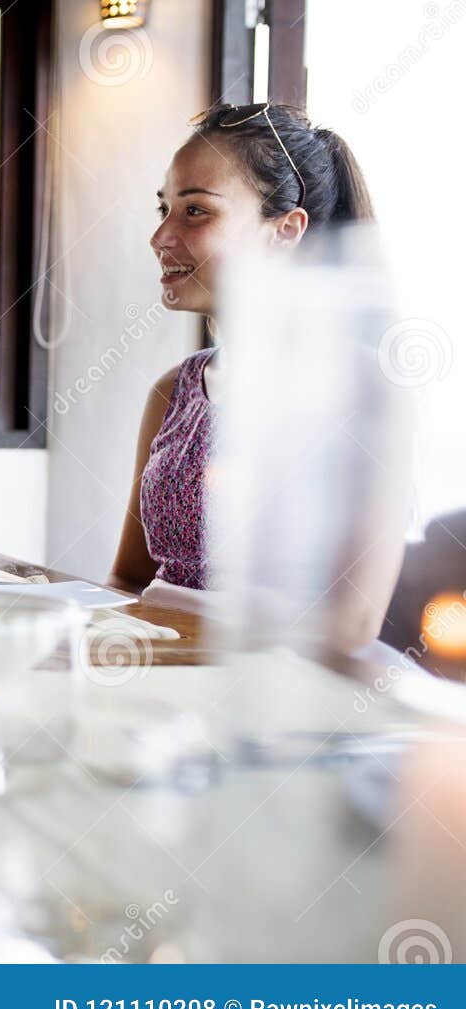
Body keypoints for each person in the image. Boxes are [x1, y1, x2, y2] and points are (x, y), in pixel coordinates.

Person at [107, 102, 400, 651]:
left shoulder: (362, 390)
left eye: (196, 211)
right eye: (164, 209)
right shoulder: (172, 394)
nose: (160, 236)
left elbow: (352, 624)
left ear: (285, 230)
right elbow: (128, 579)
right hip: (158, 679)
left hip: (280, 689)